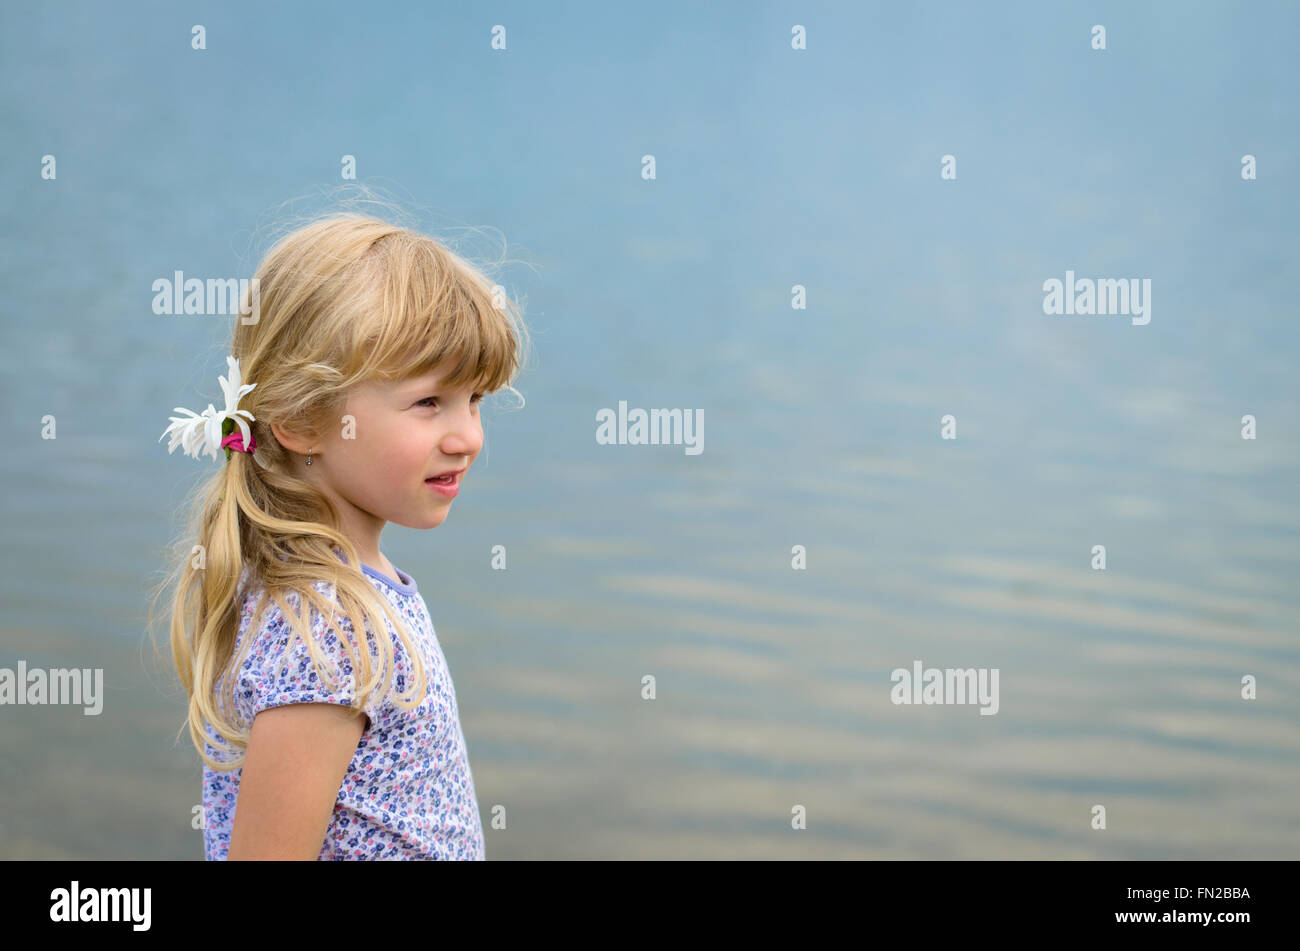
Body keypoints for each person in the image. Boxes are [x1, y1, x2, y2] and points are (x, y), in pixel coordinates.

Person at [149, 213, 529, 859]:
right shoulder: (330, 632)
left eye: (477, 398)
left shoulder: (333, 592)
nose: (468, 435)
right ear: (301, 419)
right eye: (430, 402)